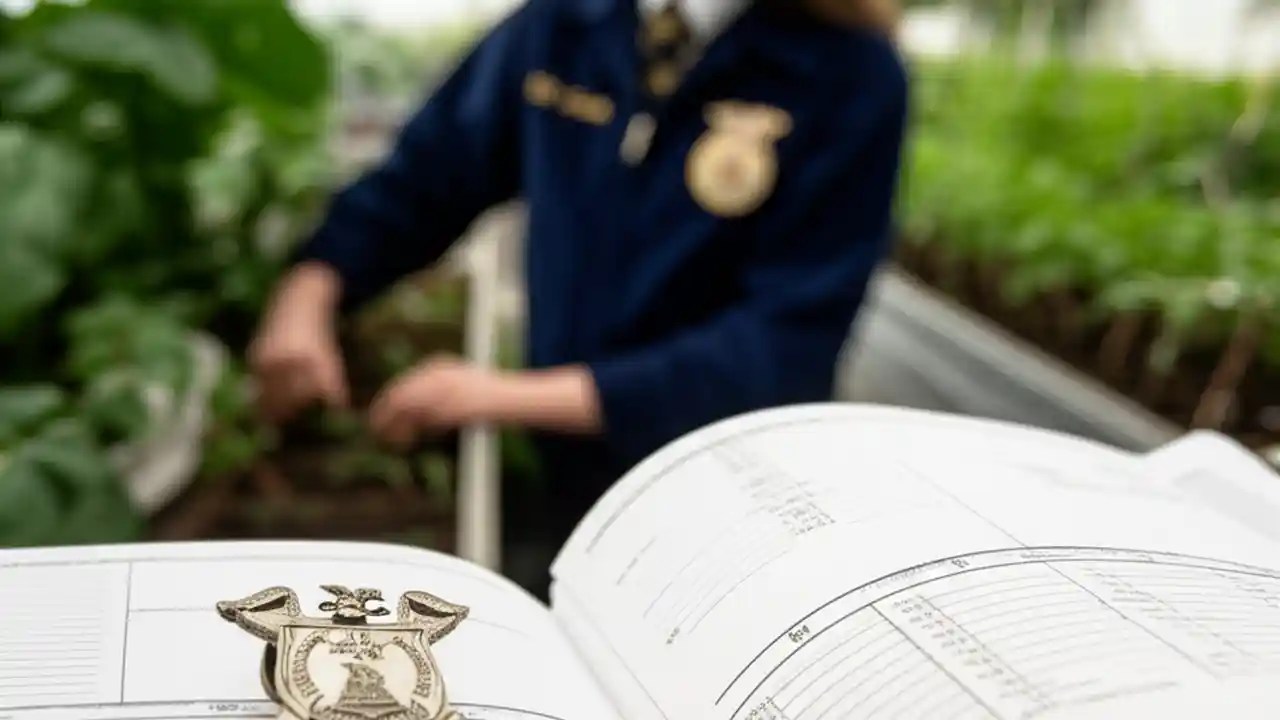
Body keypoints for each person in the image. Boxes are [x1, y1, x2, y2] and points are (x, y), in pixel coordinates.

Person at [249, 0, 909, 597]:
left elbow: (784, 344)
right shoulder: (563, 26)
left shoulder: (847, 72)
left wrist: (507, 396)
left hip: (729, 500)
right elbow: (424, 182)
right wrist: (309, 291)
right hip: (565, 471)